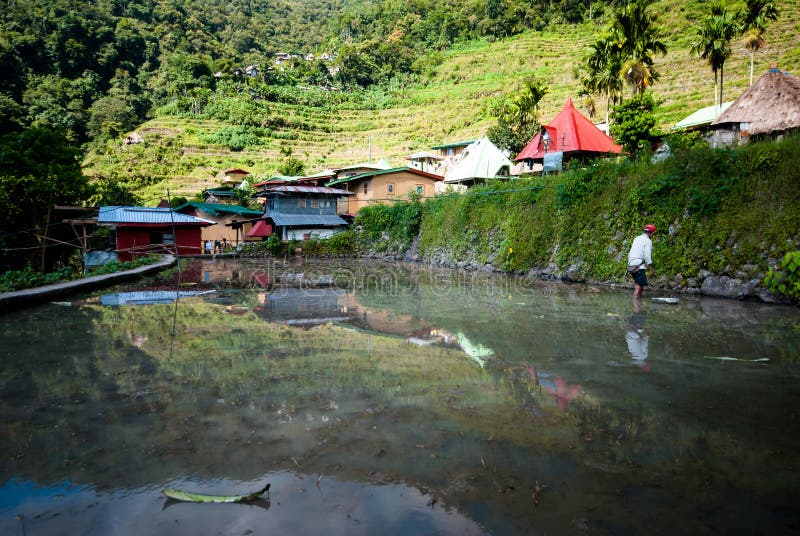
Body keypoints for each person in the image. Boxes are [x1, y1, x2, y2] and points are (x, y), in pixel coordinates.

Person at [627, 224, 656, 298]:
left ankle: (640, 303)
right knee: (638, 286)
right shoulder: (648, 241)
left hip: (631, 265)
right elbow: (647, 256)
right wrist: (651, 268)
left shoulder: (636, 238)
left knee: (641, 284)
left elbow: (630, 252)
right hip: (638, 265)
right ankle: (636, 305)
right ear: (652, 233)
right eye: (653, 234)